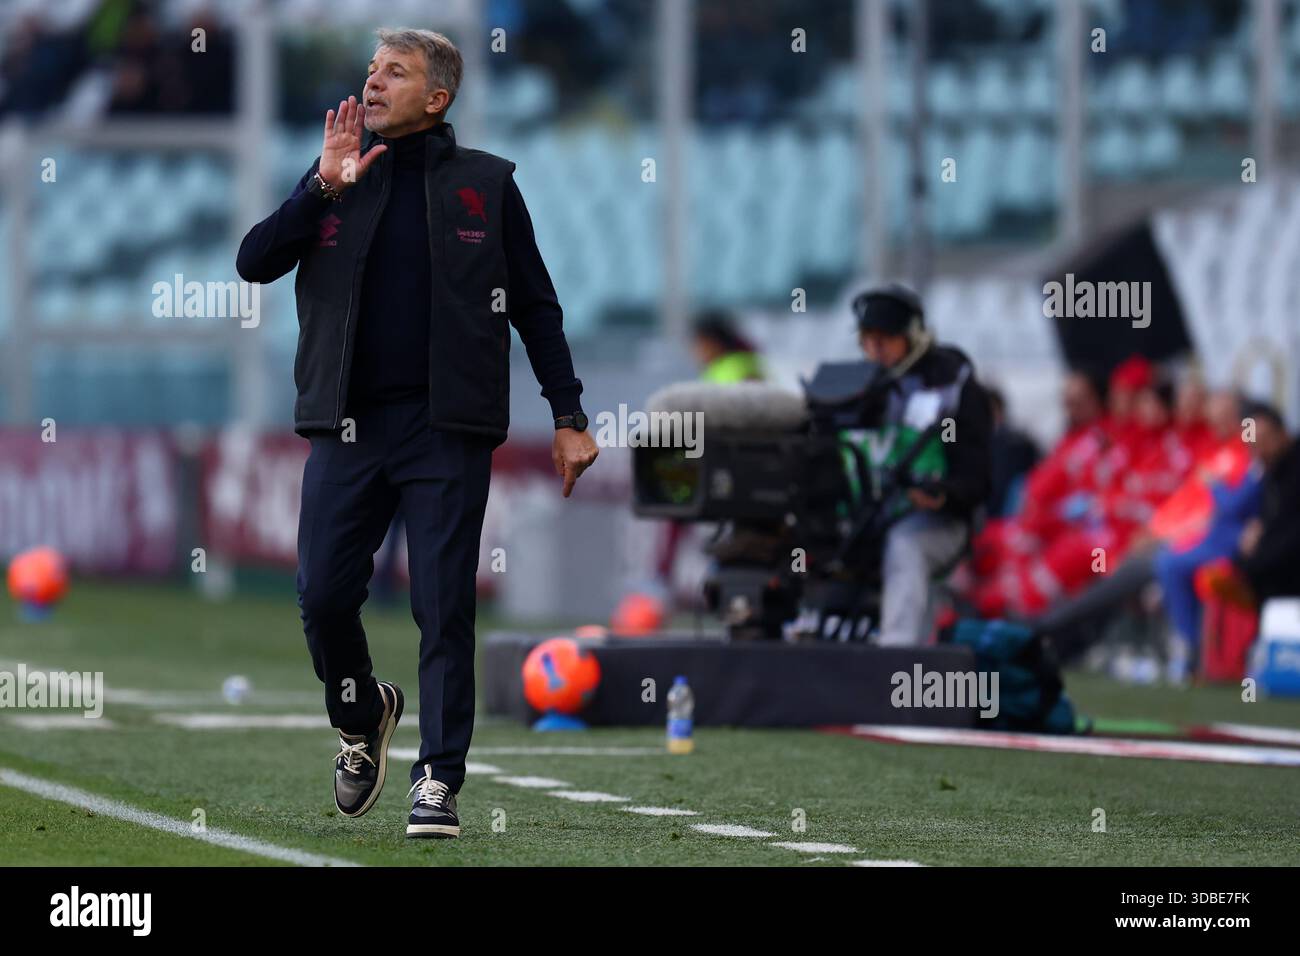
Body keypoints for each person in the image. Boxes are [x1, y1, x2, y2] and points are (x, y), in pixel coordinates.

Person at [236, 29, 598, 839]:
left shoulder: (487, 185)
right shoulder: (336, 175)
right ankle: (361, 713)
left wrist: (568, 415)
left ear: (437, 97)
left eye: (393, 73)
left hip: (446, 427)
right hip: (347, 426)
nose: (372, 83)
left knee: (443, 607)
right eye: (370, 71)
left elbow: (536, 306)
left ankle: (438, 778)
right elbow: (253, 262)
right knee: (323, 595)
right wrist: (317, 192)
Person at [852, 282, 992, 646]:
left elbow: (977, 479)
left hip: (937, 520)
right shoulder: (857, 389)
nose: (875, 349)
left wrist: (941, 496)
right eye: (868, 339)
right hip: (863, 517)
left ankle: (895, 656)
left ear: (912, 336)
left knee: (905, 547)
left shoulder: (953, 389)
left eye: (886, 338)